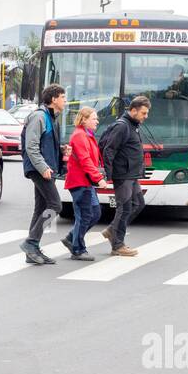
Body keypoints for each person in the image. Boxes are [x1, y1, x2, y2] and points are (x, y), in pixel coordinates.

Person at [20, 83, 67, 265]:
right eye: (63, 97)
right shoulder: (39, 117)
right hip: (40, 169)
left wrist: (62, 150)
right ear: (54, 99)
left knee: (40, 208)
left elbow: (44, 144)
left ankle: (32, 250)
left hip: (46, 168)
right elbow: (31, 147)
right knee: (55, 205)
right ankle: (31, 243)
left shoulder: (51, 117)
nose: (65, 101)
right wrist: (43, 167)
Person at [99, 95, 151, 257]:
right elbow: (109, 149)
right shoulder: (122, 126)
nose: (146, 116)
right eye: (143, 113)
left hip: (132, 174)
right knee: (125, 208)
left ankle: (112, 230)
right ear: (133, 110)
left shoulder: (132, 124)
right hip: (123, 175)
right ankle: (118, 245)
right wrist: (108, 174)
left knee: (138, 204)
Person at [63, 106, 104, 261]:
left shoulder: (87, 134)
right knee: (85, 215)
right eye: (94, 118)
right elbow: (85, 160)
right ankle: (78, 249)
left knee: (95, 213)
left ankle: (72, 238)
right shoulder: (80, 135)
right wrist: (98, 178)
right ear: (84, 119)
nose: (97, 121)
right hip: (80, 182)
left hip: (87, 182)